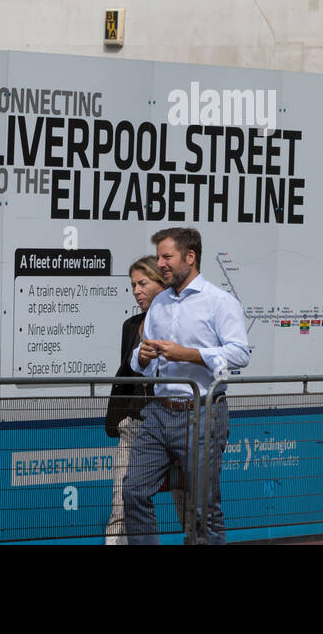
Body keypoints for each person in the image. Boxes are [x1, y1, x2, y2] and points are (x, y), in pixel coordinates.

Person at [123, 227, 249, 545]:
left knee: (203, 509)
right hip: (159, 413)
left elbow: (239, 353)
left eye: (167, 257)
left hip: (202, 413)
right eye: (158, 257)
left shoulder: (220, 302)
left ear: (189, 257)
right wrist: (142, 355)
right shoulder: (160, 304)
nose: (161, 264)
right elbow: (144, 365)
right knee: (134, 491)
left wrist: (190, 356)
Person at [104, 256, 186, 544]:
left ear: (161, 283)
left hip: (176, 423)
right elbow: (126, 373)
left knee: (189, 505)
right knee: (122, 504)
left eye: (142, 283)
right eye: (133, 285)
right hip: (136, 427)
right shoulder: (131, 326)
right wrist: (121, 417)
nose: (136, 290)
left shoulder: (182, 323)